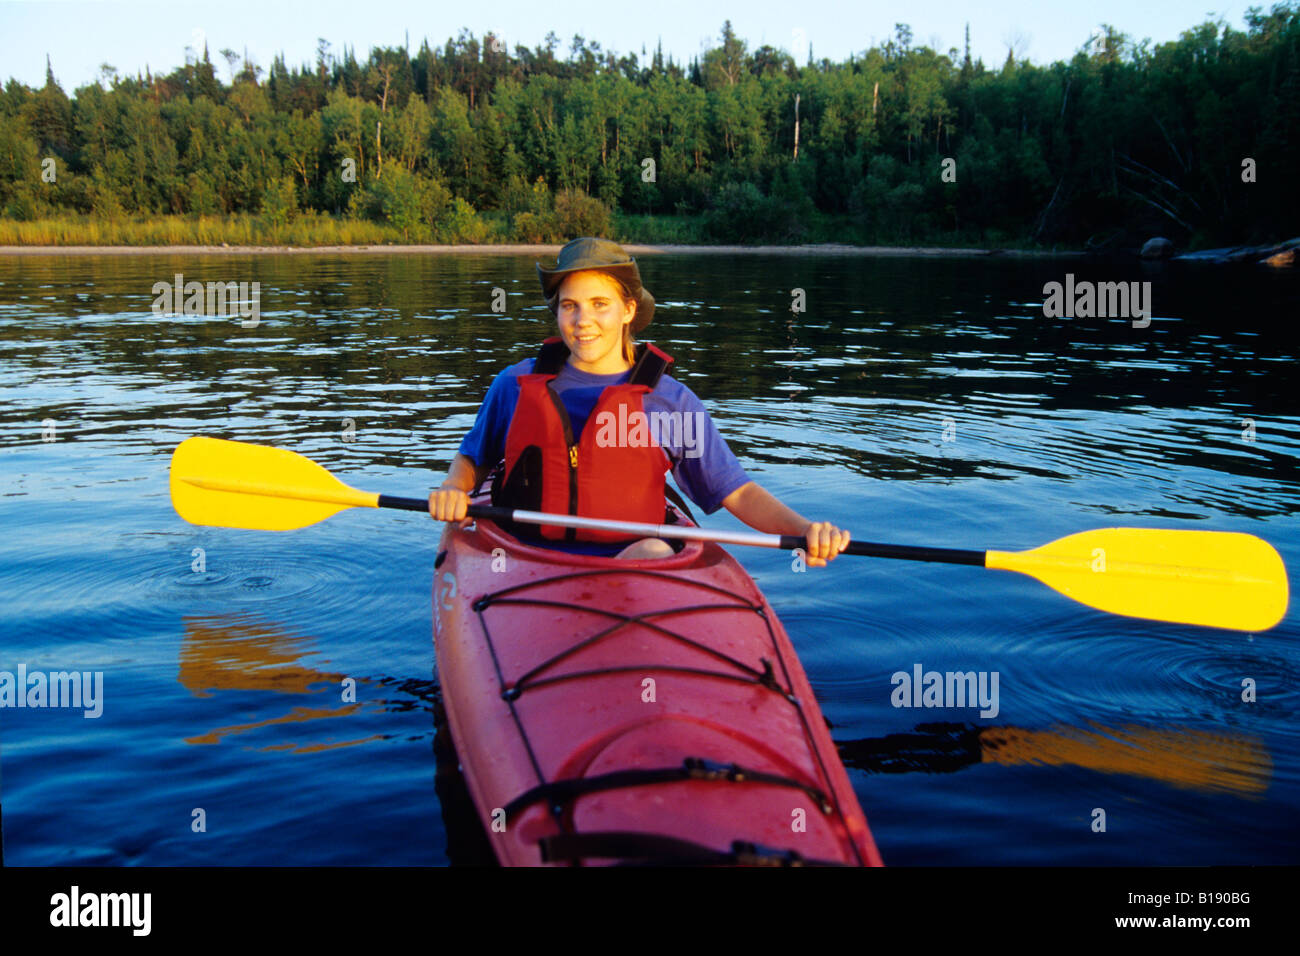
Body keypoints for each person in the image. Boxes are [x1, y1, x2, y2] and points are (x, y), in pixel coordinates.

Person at [428, 237, 850, 567]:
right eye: (569, 306)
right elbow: (475, 455)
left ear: (629, 309)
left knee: (653, 552)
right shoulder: (514, 383)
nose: (582, 321)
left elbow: (735, 492)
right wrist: (452, 488)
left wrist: (805, 530)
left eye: (600, 305)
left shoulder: (670, 401)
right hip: (520, 553)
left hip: (633, 560)